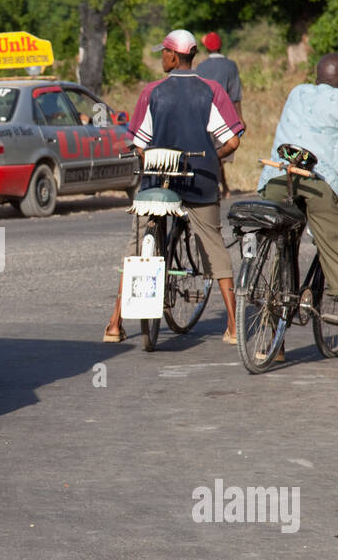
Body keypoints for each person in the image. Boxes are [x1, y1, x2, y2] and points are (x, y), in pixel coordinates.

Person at [104, 29, 243, 344]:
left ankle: (114, 324)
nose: (161, 58)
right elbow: (233, 140)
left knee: (138, 248)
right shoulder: (212, 91)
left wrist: (156, 155)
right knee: (213, 245)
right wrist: (211, 156)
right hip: (200, 180)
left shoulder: (152, 92)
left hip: (157, 179)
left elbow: (139, 143)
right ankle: (234, 326)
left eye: (162, 53)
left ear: (171, 55)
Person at [257, 53, 338, 370]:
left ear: (317, 76)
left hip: (277, 177)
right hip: (317, 182)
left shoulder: (297, 93)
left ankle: (274, 343)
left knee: (282, 247)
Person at [192, 31, 244, 197]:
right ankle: (221, 187)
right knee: (220, 152)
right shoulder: (230, 66)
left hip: (205, 115)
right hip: (224, 115)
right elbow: (235, 94)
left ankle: (221, 187)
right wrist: (240, 118)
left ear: (206, 48)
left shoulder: (200, 67)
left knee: (212, 152)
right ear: (221, 45)